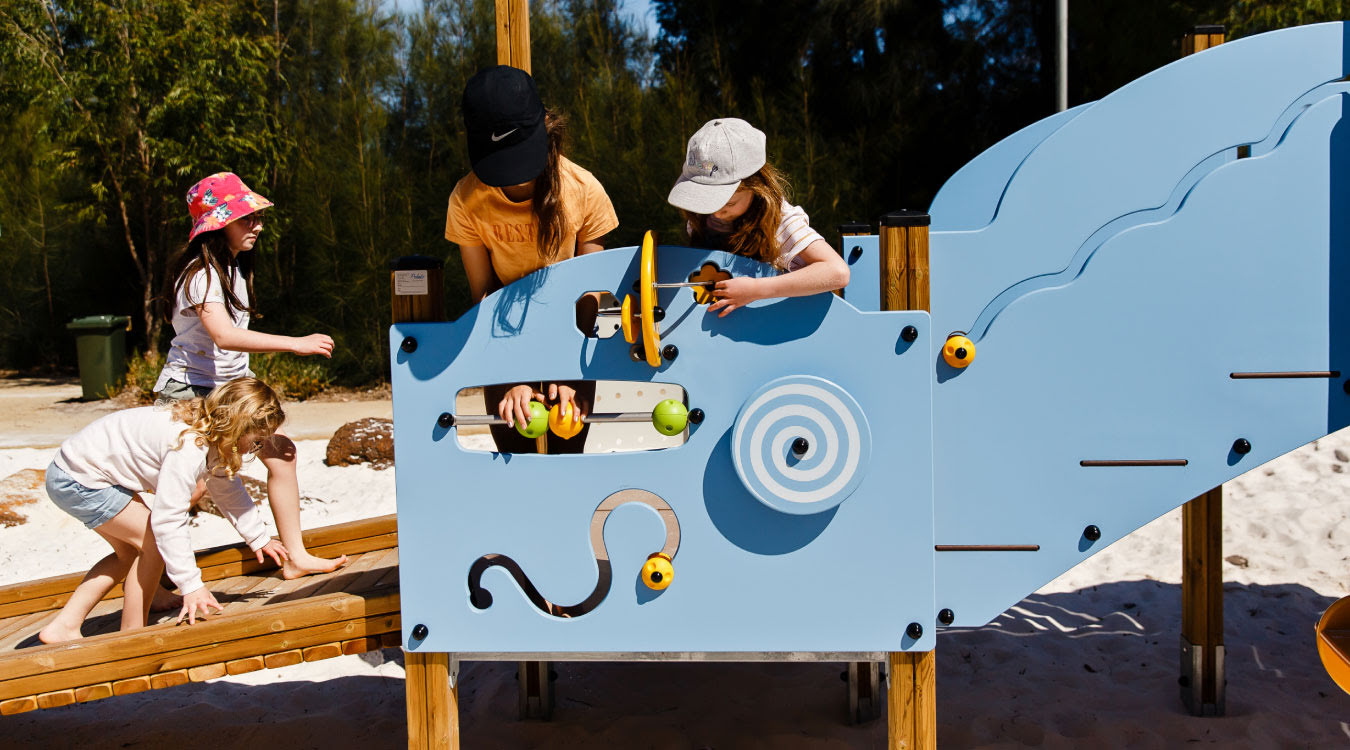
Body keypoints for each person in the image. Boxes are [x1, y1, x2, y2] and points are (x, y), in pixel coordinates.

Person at [155, 172, 346, 578]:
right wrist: (295, 343)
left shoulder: (230, 269)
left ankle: (294, 556)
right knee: (190, 486)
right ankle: (153, 578)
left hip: (224, 391)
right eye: (246, 219)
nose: (257, 226)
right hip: (190, 391)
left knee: (282, 454)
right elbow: (224, 337)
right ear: (218, 225)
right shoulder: (201, 273)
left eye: (256, 217)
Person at [444, 65, 619, 453]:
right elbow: (485, 297)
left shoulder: (583, 190)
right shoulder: (467, 200)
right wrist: (513, 377)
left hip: (574, 336)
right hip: (505, 338)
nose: (514, 179)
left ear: (544, 124)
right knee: (514, 455)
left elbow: (591, 297)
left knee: (568, 450)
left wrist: (568, 370)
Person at [40, 377, 290, 643]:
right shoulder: (188, 447)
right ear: (237, 428)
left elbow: (226, 488)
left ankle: (65, 625)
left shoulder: (210, 432)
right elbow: (168, 519)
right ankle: (132, 637)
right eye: (256, 441)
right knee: (153, 543)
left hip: (75, 473)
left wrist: (258, 536)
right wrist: (191, 585)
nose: (255, 448)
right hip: (80, 478)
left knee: (128, 553)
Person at [667, 118, 850, 317]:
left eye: (729, 203)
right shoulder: (700, 220)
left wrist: (757, 290)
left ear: (757, 187)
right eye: (706, 201)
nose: (716, 213)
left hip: (779, 326)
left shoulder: (780, 222)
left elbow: (837, 272)